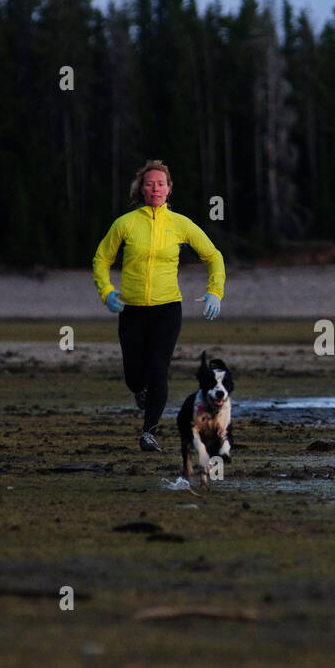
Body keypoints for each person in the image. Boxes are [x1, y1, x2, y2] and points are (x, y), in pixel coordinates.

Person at [93, 159, 225, 452]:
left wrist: (215, 291)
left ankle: (149, 433)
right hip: (131, 309)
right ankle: (139, 390)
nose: (155, 188)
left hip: (168, 309)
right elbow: (101, 259)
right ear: (141, 189)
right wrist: (107, 292)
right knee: (134, 375)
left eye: (161, 183)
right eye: (150, 183)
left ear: (169, 189)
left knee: (158, 369)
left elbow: (213, 256)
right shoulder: (125, 224)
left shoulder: (181, 224)